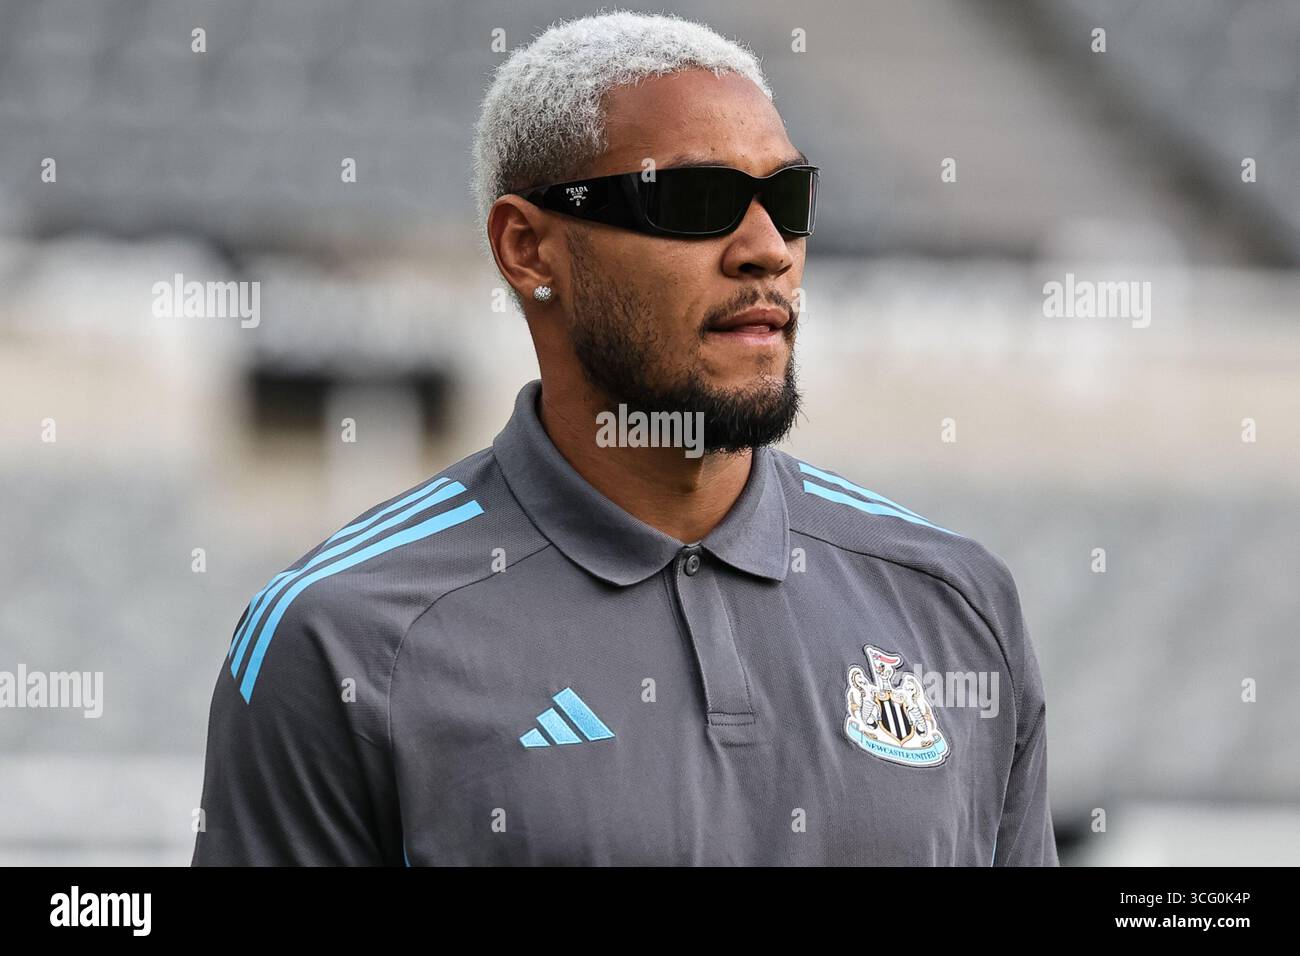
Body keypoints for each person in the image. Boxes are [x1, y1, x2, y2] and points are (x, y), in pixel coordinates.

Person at [192, 10, 1058, 866]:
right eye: (694, 200)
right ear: (529, 249)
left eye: (787, 199)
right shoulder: (337, 636)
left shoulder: (956, 603)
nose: (767, 249)